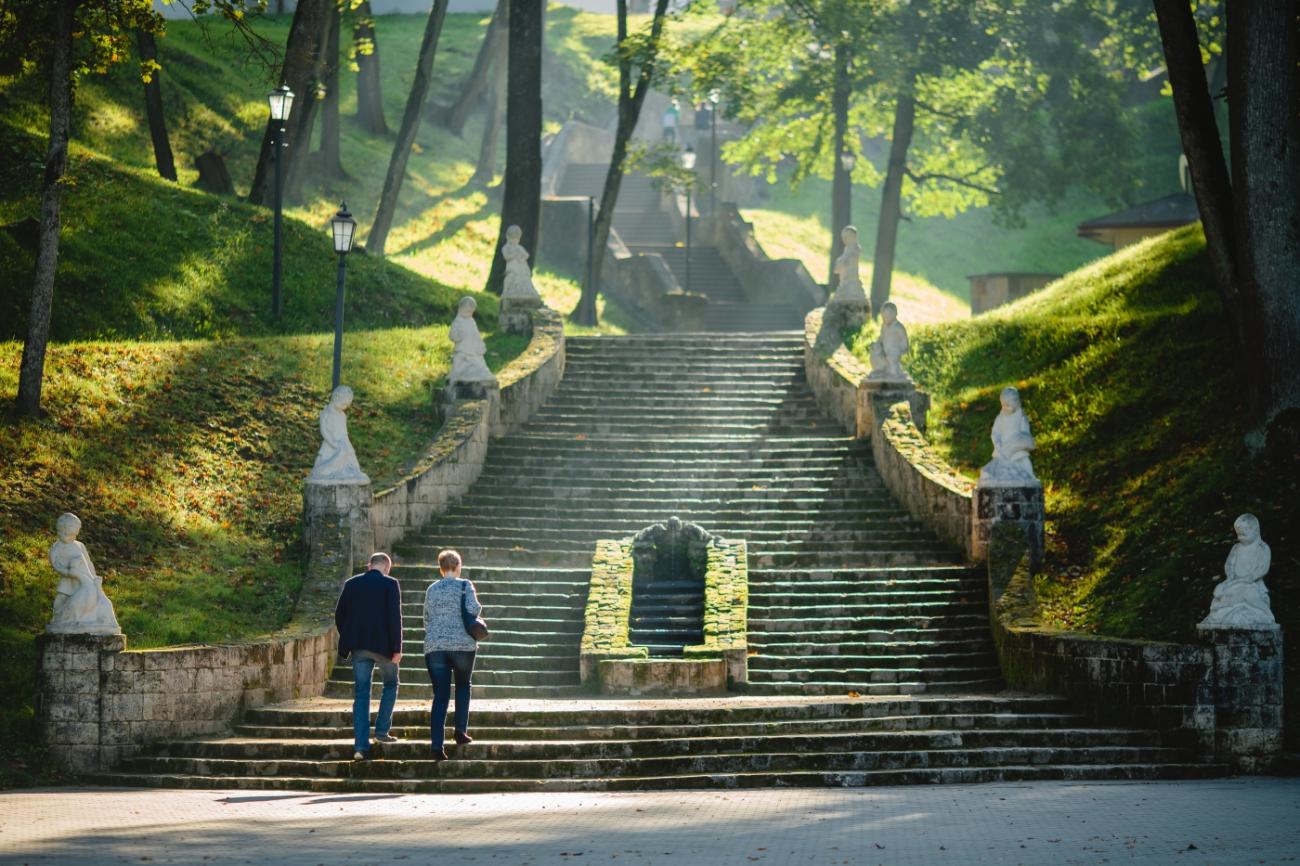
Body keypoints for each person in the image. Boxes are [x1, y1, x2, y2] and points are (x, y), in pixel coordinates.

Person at [334, 552, 403, 761]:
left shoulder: (352, 583)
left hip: (359, 647)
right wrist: (397, 648)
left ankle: (360, 747)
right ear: (387, 568)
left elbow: (339, 614)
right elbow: (394, 617)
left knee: (361, 694)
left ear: (369, 565)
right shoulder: (390, 584)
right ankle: (381, 731)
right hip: (384, 647)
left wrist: (349, 634)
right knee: (391, 684)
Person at [423, 549, 483, 760]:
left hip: (435, 647)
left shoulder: (432, 589)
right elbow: (474, 610)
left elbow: (427, 618)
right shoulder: (465, 585)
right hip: (462, 646)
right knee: (463, 686)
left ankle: (437, 746)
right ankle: (460, 731)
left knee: (440, 695)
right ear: (458, 566)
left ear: (441, 569)